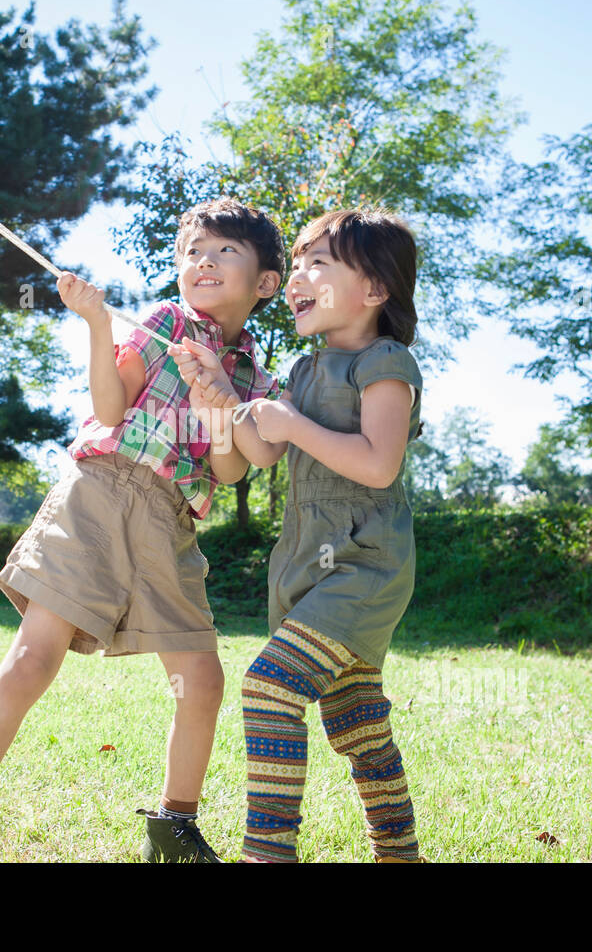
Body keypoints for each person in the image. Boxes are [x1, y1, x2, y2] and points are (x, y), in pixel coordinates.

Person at [0, 197, 285, 863]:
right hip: (97, 494)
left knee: (201, 679)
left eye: (224, 251)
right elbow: (110, 405)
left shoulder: (255, 377)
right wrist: (95, 323)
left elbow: (230, 471)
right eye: (193, 251)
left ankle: (173, 829)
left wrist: (218, 407)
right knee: (36, 656)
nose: (202, 260)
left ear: (265, 283)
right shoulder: (164, 321)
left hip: (169, 520)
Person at [173, 208, 427, 862]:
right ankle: (401, 855)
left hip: (363, 569)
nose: (297, 278)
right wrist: (220, 396)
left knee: (269, 687)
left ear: (375, 291)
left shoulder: (386, 363)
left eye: (320, 263)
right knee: (358, 725)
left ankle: (268, 852)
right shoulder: (304, 371)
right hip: (304, 570)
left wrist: (290, 424)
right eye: (300, 263)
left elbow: (378, 462)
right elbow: (259, 450)